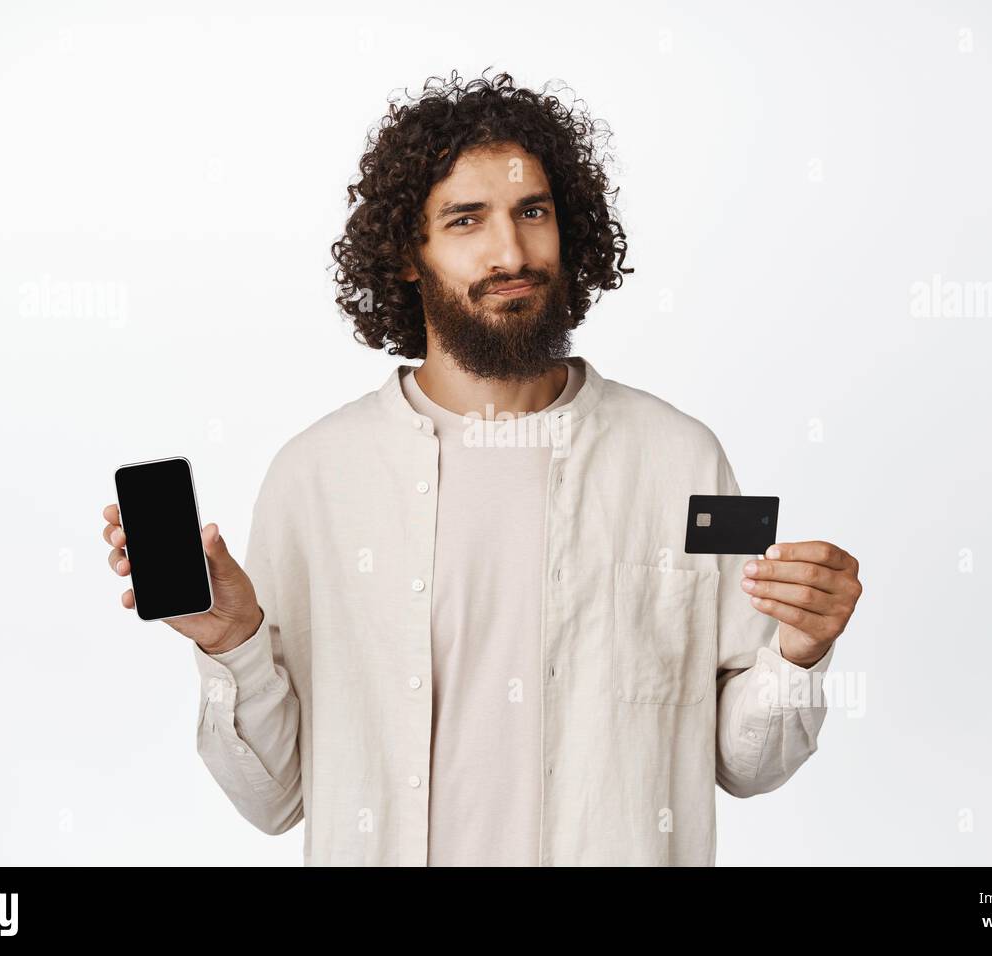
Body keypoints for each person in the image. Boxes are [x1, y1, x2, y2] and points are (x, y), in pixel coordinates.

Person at [101, 70, 862, 866]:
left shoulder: (683, 459)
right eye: (467, 220)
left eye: (532, 212)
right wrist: (232, 641)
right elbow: (275, 798)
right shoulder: (316, 477)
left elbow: (746, 766)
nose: (511, 252)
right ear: (407, 256)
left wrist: (799, 652)